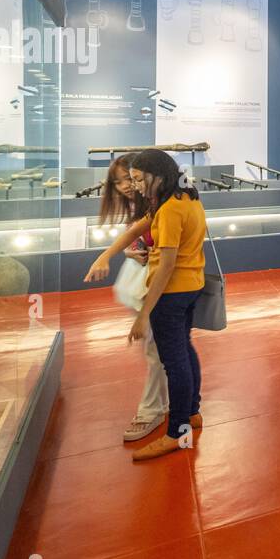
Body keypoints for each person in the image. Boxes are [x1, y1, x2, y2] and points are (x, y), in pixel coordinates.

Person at [86, 149, 207, 462]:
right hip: (191, 286)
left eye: (139, 179)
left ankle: (177, 432)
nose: (135, 185)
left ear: (157, 175)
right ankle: (192, 412)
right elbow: (138, 227)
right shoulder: (185, 199)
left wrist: (143, 315)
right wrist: (106, 255)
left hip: (171, 293)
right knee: (185, 350)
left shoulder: (168, 211)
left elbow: (165, 267)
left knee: (173, 362)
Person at [98, 152, 170, 441]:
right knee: (157, 351)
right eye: (119, 182)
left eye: (131, 178)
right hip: (141, 280)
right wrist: (128, 251)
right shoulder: (141, 205)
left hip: (155, 283)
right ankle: (162, 405)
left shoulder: (160, 204)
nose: (127, 185)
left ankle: (153, 410)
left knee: (158, 351)